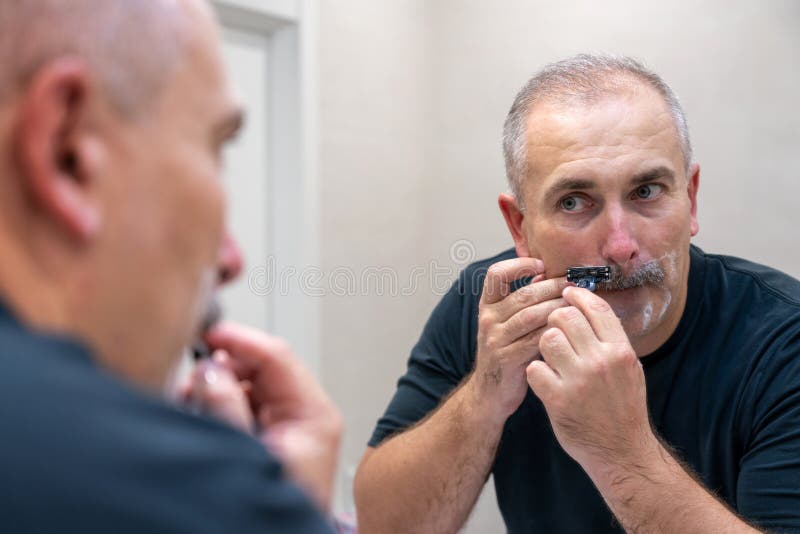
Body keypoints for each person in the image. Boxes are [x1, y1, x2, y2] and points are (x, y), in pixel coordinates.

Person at [355, 54, 800, 533]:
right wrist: (484, 397)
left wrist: (621, 453)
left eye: (647, 191)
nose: (620, 246)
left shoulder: (783, 341)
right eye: (573, 202)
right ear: (520, 226)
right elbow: (384, 526)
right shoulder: (492, 309)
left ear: (690, 200)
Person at [0, 1, 341, 532]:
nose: (231, 260)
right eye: (215, 148)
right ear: (69, 151)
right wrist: (262, 502)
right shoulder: (191, 492)